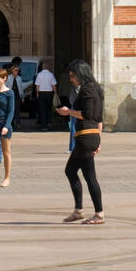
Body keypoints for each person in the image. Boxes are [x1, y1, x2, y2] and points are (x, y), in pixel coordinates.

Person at [58, 59, 104, 225]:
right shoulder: (97, 89)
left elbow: (87, 114)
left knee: (88, 176)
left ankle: (98, 213)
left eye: (73, 75)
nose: (71, 79)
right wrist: (99, 139)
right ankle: (79, 210)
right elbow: (99, 119)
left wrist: (68, 111)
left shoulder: (87, 89)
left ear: (80, 74)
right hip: (90, 136)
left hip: (85, 136)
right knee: (72, 171)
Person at [34, 62, 57, 130]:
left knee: (42, 109)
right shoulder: (51, 75)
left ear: (43, 67)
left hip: (41, 93)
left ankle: (44, 125)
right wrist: (56, 93)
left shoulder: (39, 75)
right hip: (49, 93)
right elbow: (54, 85)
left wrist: (37, 93)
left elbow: (37, 85)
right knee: (49, 109)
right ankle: (49, 123)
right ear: (48, 67)